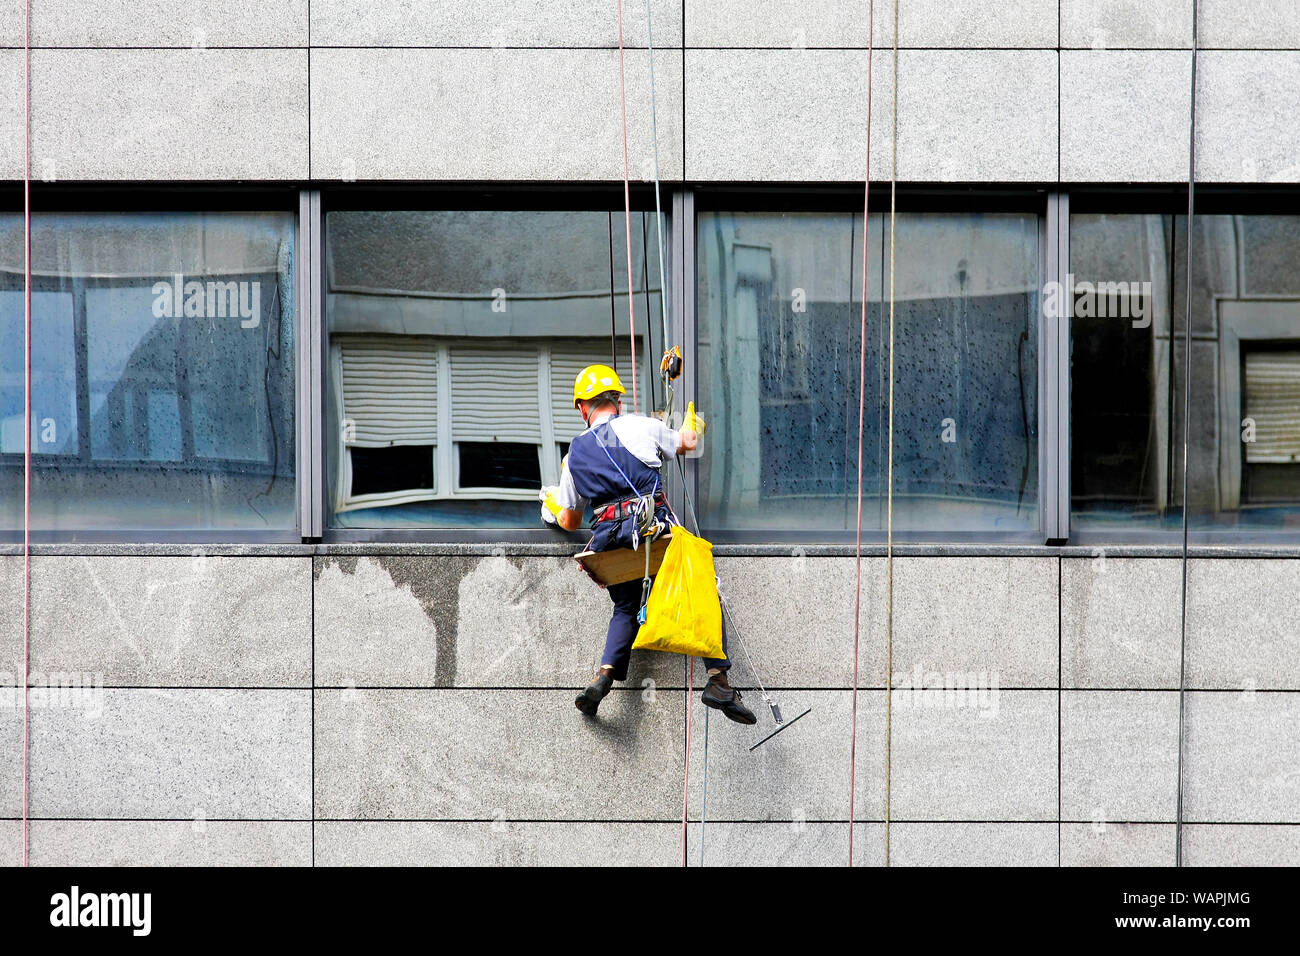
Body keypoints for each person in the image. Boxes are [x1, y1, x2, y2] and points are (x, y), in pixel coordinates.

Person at [540, 363, 756, 724]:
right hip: (652, 532)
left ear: (582, 407)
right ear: (617, 401)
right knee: (701, 588)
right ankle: (718, 680)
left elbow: (571, 520)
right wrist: (694, 420)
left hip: (610, 543)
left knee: (625, 607)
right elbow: (688, 443)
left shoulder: (574, 453)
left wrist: (551, 504)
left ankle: (603, 678)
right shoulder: (642, 424)